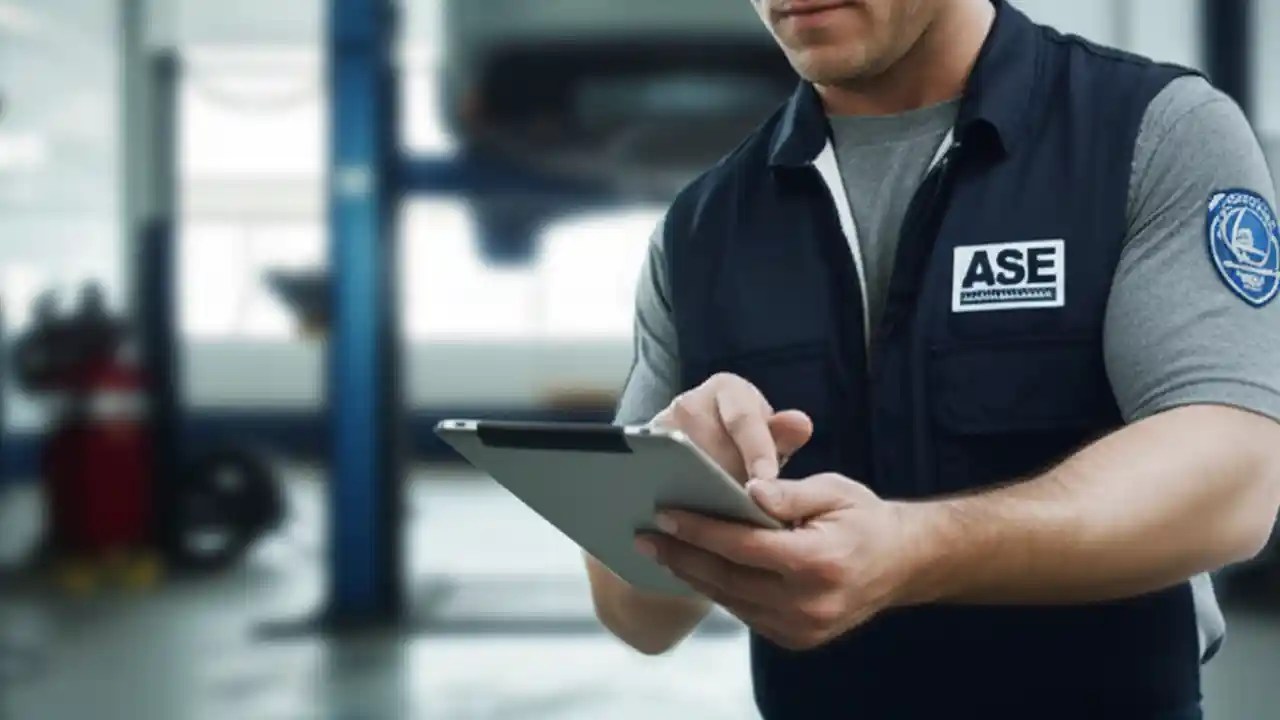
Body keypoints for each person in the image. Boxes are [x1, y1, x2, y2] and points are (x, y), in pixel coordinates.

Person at [584, 1, 1280, 718]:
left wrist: (917, 550)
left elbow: (1235, 478)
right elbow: (633, 612)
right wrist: (676, 483)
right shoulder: (706, 226)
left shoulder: (1149, 135)